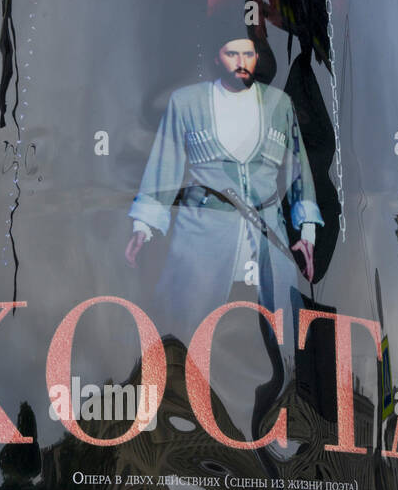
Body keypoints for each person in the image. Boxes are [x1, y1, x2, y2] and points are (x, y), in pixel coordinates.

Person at [125, 31, 323, 343]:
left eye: (248, 55)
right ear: (218, 57)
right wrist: (143, 227)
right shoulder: (186, 102)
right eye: (233, 54)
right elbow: (166, 163)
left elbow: (300, 170)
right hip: (202, 231)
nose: (242, 62)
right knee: (186, 324)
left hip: (268, 232)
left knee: (283, 326)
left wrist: (307, 232)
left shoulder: (279, 104)